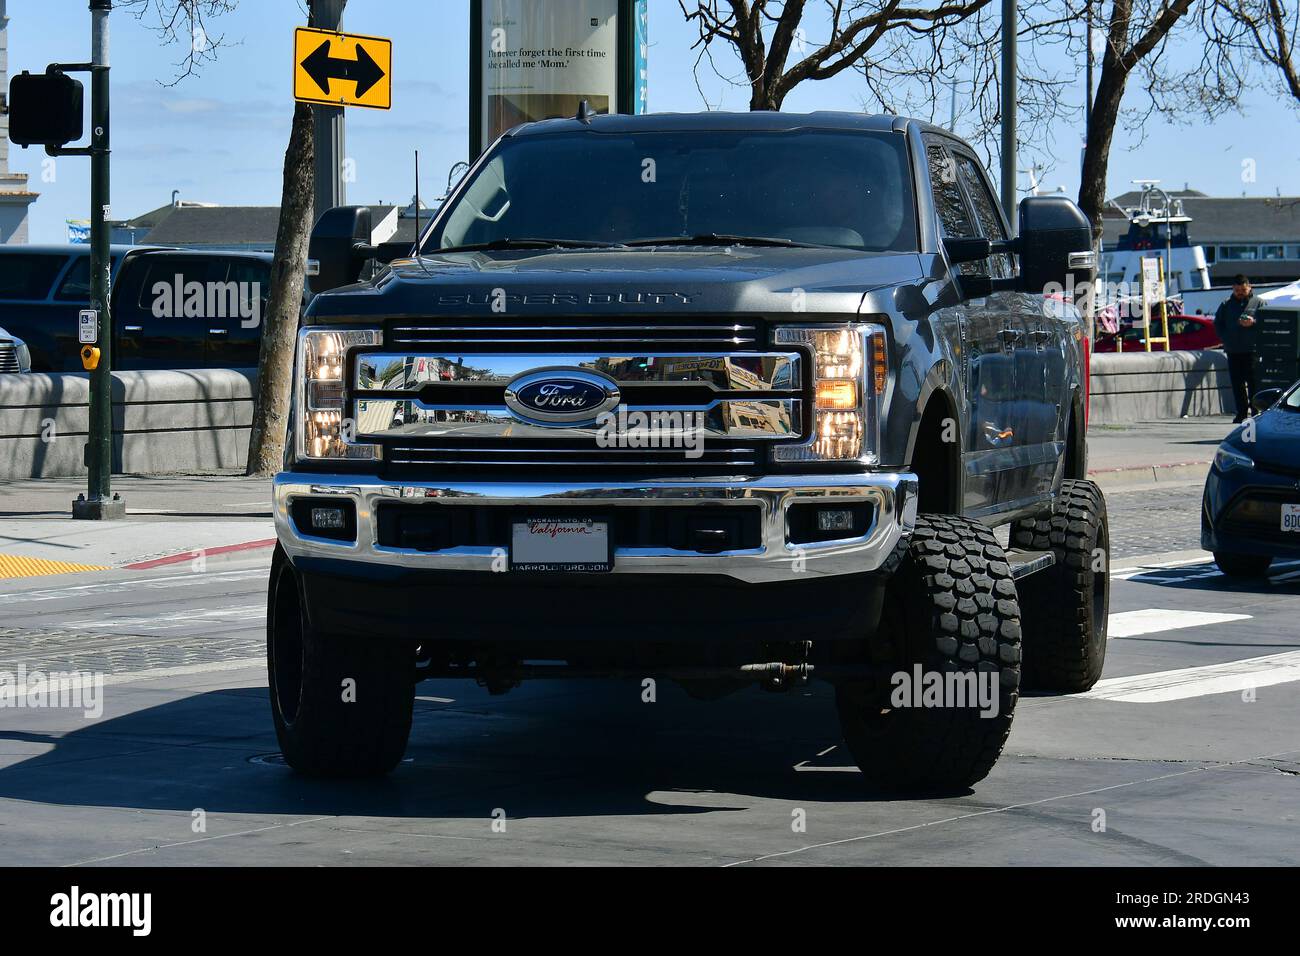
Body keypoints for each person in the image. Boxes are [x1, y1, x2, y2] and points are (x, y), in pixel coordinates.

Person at [1214, 274, 1266, 423]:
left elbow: (1267, 323)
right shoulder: (1226, 304)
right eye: (1237, 290)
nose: (1240, 293)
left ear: (1250, 287)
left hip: (1253, 350)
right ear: (1233, 289)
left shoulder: (1259, 303)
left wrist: (1253, 322)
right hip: (1233, 350)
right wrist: (1225, 339)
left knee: (1253, 383)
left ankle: (1256, 412)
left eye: (1243, 289)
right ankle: (1241, 412)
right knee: (1237, 385)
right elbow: (1218, 324)